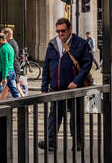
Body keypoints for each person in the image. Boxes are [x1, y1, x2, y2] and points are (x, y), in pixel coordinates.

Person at [38, 17, 94, 150]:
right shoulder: (52, 44)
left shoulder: (80, 43)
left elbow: (87, 64)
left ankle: (78, 142)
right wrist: (44, 86)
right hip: (56, 87)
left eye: (63, 31)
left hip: (74, 88)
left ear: (69, 29)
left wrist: (76, 81)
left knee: (76, 117)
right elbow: (47, 66)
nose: (60, 34)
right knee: (54, 116)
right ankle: (50, 142)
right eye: (58, 31)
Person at [3, 27, 28, 96]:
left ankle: (24, 103)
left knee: (16, 87)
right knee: (8, 87)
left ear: (7, 34)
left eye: (3, 34)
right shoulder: (12, 42)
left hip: (14, 68)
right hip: (14, 67)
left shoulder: (10, 43)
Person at [0, 32, 18, 99]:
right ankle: (22, 106)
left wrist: (4, 77)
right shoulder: (10, 47)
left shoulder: (3, 49)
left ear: (1, 40)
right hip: (12, 71)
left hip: (4, 72)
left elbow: (5, 63)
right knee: (14, 91)